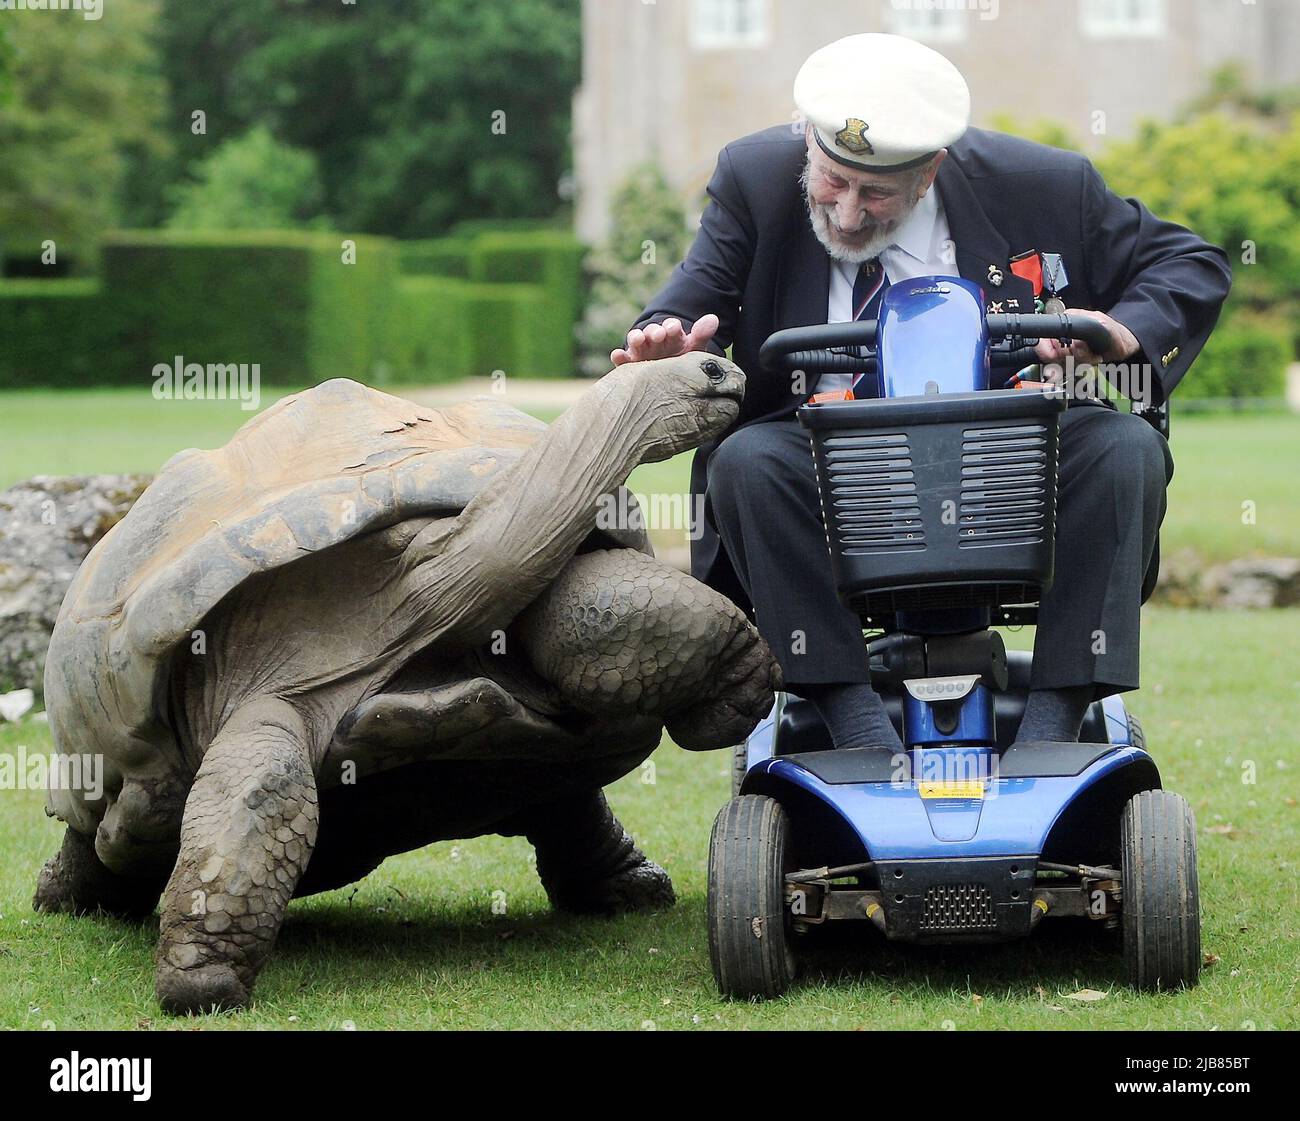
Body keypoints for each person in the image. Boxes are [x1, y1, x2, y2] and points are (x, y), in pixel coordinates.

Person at [612, 33, 1231, 751]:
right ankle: (854, 725)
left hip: (1005, 465)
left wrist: (1121, 332)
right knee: (745, 462)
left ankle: (1054, 726)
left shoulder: (1044, 183)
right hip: (824, 468)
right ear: (807, 140)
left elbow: (1190, 263)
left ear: (931, 170)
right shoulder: (752, 178)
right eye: (831, 181)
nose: (846, 215)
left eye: (876, 193)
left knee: (1124, 448)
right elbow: (687, 304)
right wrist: (666, 339)